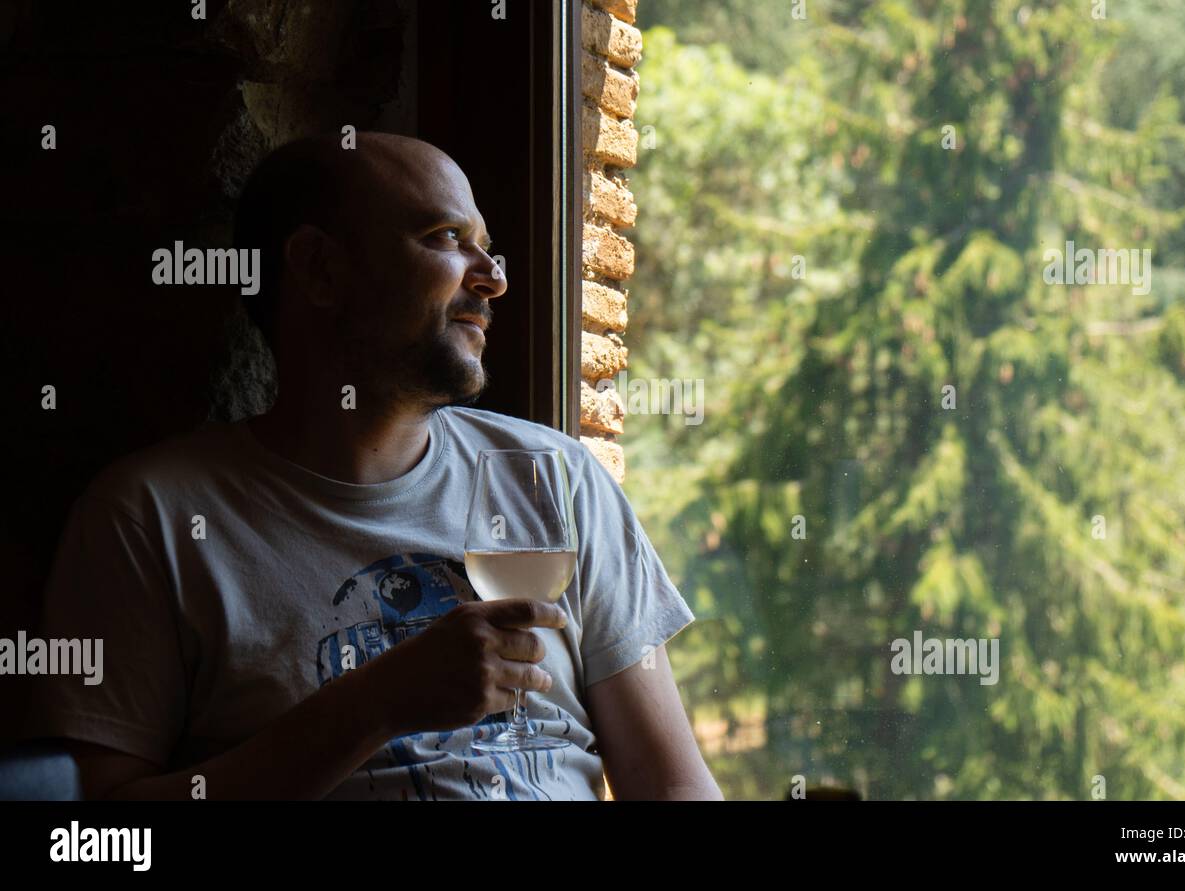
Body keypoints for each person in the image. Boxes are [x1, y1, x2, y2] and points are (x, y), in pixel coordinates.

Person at [23, 132, 723, 801]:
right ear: (321, 269)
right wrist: (374, 706)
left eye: (489, 247)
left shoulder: (555, 478)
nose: (494, 278)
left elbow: (672, 782)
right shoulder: (151, 517)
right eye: (446, 239)